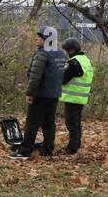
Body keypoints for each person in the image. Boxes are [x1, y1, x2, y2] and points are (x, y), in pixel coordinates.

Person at [10, 26, 67, 160]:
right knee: (49, 124)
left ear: (46, 40)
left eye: (40, 37)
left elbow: (35, 76)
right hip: (54, 95)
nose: (37, 39)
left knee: (32, 123)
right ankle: (48, 151)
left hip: (40, 95)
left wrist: (30, 93)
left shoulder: (42, 54)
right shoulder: (61, 54)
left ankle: (24, 151)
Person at [59, 37, 94, 154]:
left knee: (71, 123)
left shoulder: (74, 62)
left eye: (66, 50)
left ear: (71, 50)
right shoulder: (85, 60)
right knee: (77, 123)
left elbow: (63, 79)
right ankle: (76, 145)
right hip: (81, 97)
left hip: (72, 98)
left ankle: (72, 148)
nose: (66, 53)